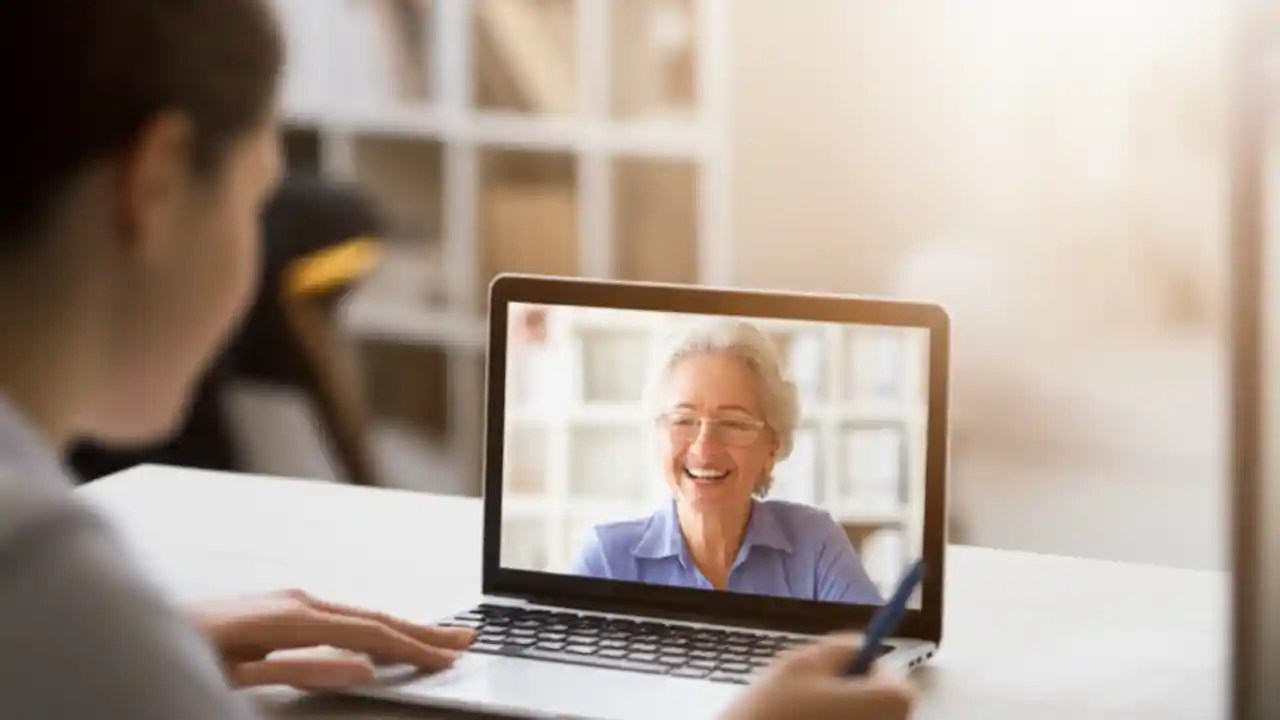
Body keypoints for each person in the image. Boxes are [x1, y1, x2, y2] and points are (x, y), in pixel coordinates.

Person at [0, 1, 911, 718]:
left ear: (773, 446)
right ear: (155, 181)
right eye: (258, 199)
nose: (704, 441)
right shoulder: (54, 592)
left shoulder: (65, 610)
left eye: (734, 420)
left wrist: (162, 657)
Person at [571, 320, 883, 604]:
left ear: (771, 447)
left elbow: (873, 657)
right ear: (659, 435)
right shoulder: (607, 559)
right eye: (684, 420)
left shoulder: (816, 545)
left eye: (733, 423)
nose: (704, 448)